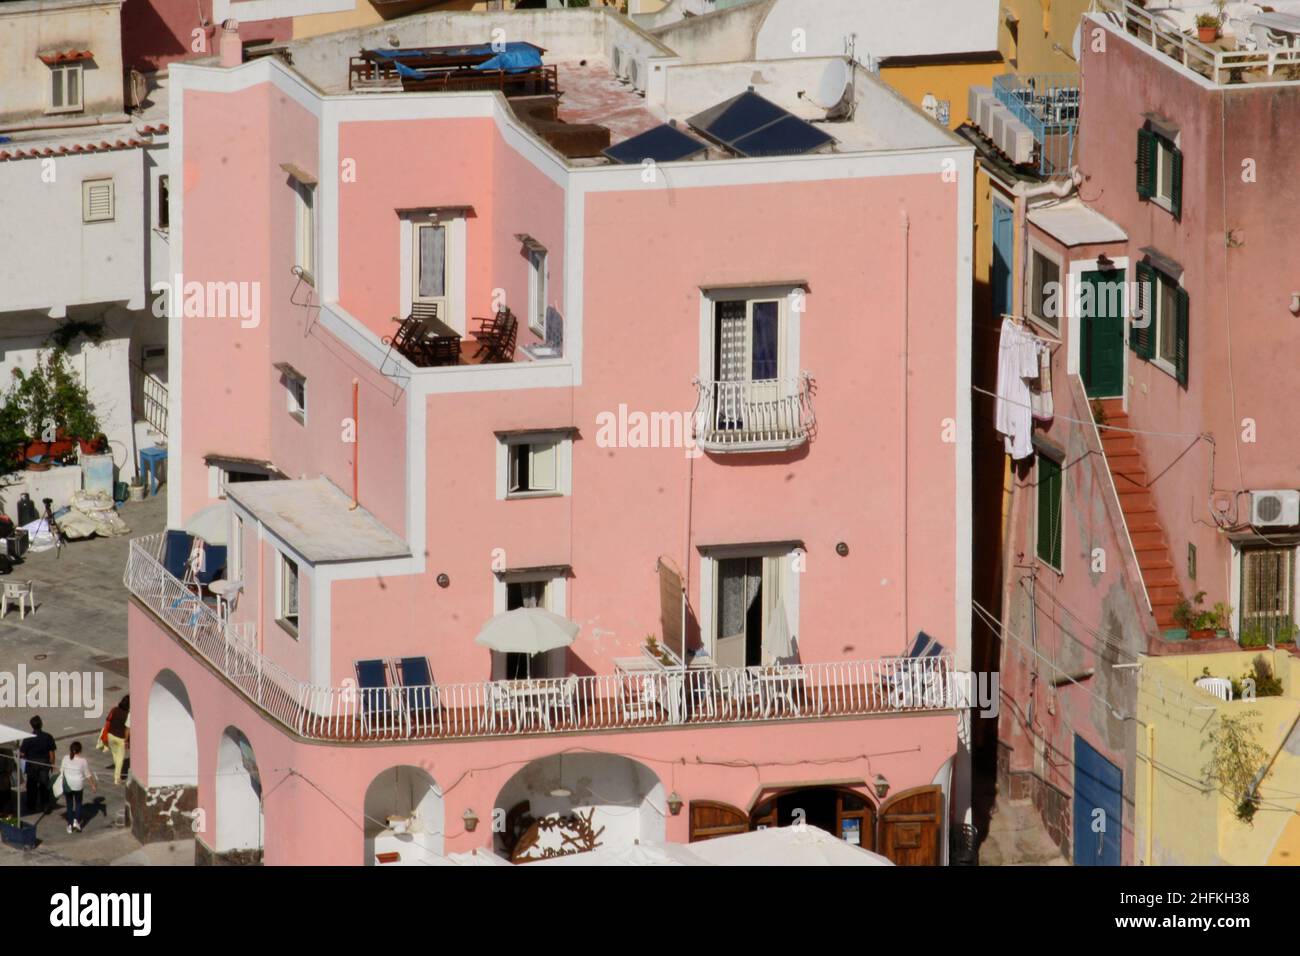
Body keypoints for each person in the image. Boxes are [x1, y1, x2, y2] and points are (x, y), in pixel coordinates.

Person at [17, 716, 56, 814]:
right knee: (44, 786)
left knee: (31, 786)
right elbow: (51, 753)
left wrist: (23, 765)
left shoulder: (28, 738)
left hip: (31, 765)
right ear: (41, 724)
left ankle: (31, 805)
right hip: (44, 764)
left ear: (31, 726)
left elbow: (22, 754)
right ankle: (45, 806)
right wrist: (51, 765)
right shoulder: (48, 736)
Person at [59, 741, 96, 833]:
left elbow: (61, 771)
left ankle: (69, 825)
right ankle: (76, 820)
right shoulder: (83, 761)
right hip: (78, 785)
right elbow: (87, 774)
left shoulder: (65, 758)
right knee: (78, 803)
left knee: (69, 805)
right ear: (80, 750)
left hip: (68, 784)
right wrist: (93, 785)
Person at [104, 696, 131, 785]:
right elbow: (127, 729)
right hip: (120, 738)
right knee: (120, 759)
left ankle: (117, 771)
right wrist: (126, 740)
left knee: (115, 755)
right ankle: (117, 778)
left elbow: (108, 720)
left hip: (111, 735)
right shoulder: (128, 714)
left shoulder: (115, 709)